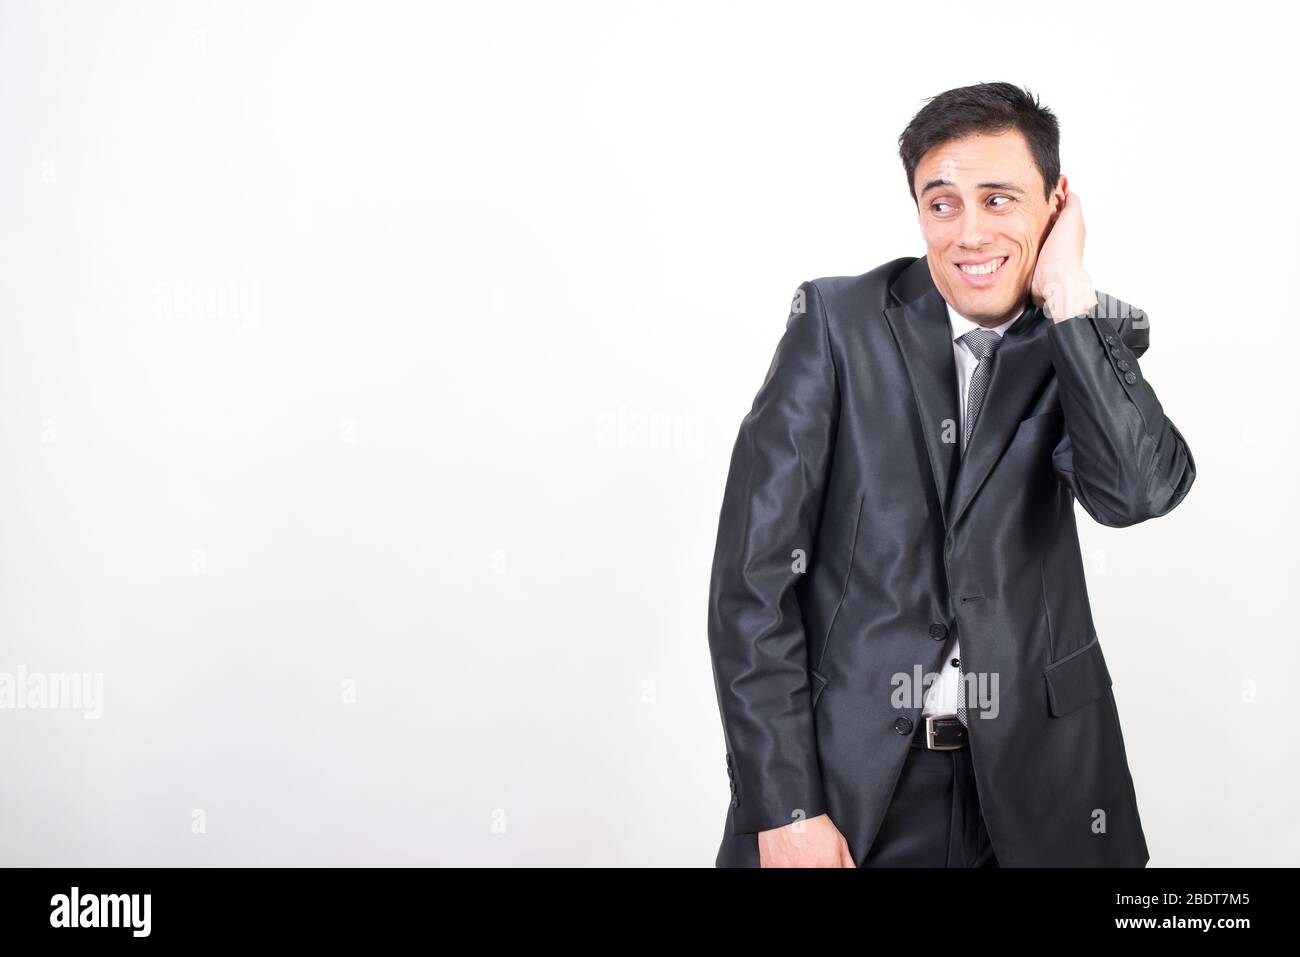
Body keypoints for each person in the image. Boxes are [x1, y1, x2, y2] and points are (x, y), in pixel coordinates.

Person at [706, 82, 1195, 867]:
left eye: (999, 200)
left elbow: (1137, 492)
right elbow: (751, 586)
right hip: (855, 787)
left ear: (1055, 201)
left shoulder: (1082, 336)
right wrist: (786, 803)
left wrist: (1068, 294)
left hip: (1046, 794)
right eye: (942, 204)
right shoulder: (836, 324)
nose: (970, 233)